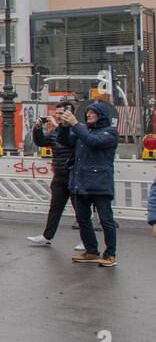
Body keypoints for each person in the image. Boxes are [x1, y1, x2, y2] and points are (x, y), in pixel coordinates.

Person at [60, 102, 119, 266]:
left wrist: (75, 124)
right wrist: (64, 126)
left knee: (106, 220)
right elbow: (65, 141)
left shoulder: (110, 132)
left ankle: (110, 254)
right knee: (83, 219)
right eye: (88, 112)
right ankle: (91, 251)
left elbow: (92, 141)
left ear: (101, 115)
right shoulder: (84, 130)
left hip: (100, 183)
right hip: (81, 182)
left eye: (93, 113)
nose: (89, 115)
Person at [26, 102, 77, 247]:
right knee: (55, 208)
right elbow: (41, 141)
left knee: (80, 211)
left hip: (74, 176)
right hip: (59, 175)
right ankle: (47, 236)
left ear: (70, 114)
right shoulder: (55, 132)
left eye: (62, 113)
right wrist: (37, 129)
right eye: (57, 113)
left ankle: (86, 241)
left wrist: (58, 126)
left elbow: (70, 142)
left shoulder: (76, 130)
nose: (58, 116)